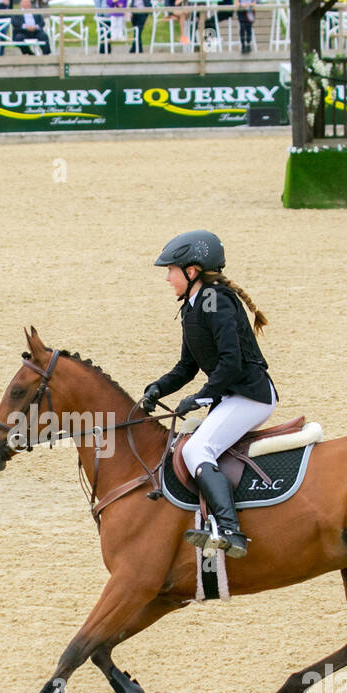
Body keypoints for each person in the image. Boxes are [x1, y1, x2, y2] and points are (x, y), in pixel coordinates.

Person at [139, 231, 276, 559]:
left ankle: (231, 531)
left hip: (250, 396)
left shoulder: (216, 300)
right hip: (229, 396)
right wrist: (158, 387)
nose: (167, 278)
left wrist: (201, 397)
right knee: (184, 445)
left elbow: (232, 361)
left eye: (171, 270)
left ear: (192, 270)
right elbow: (188, 365)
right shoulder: (191, 306)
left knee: (198, 449)